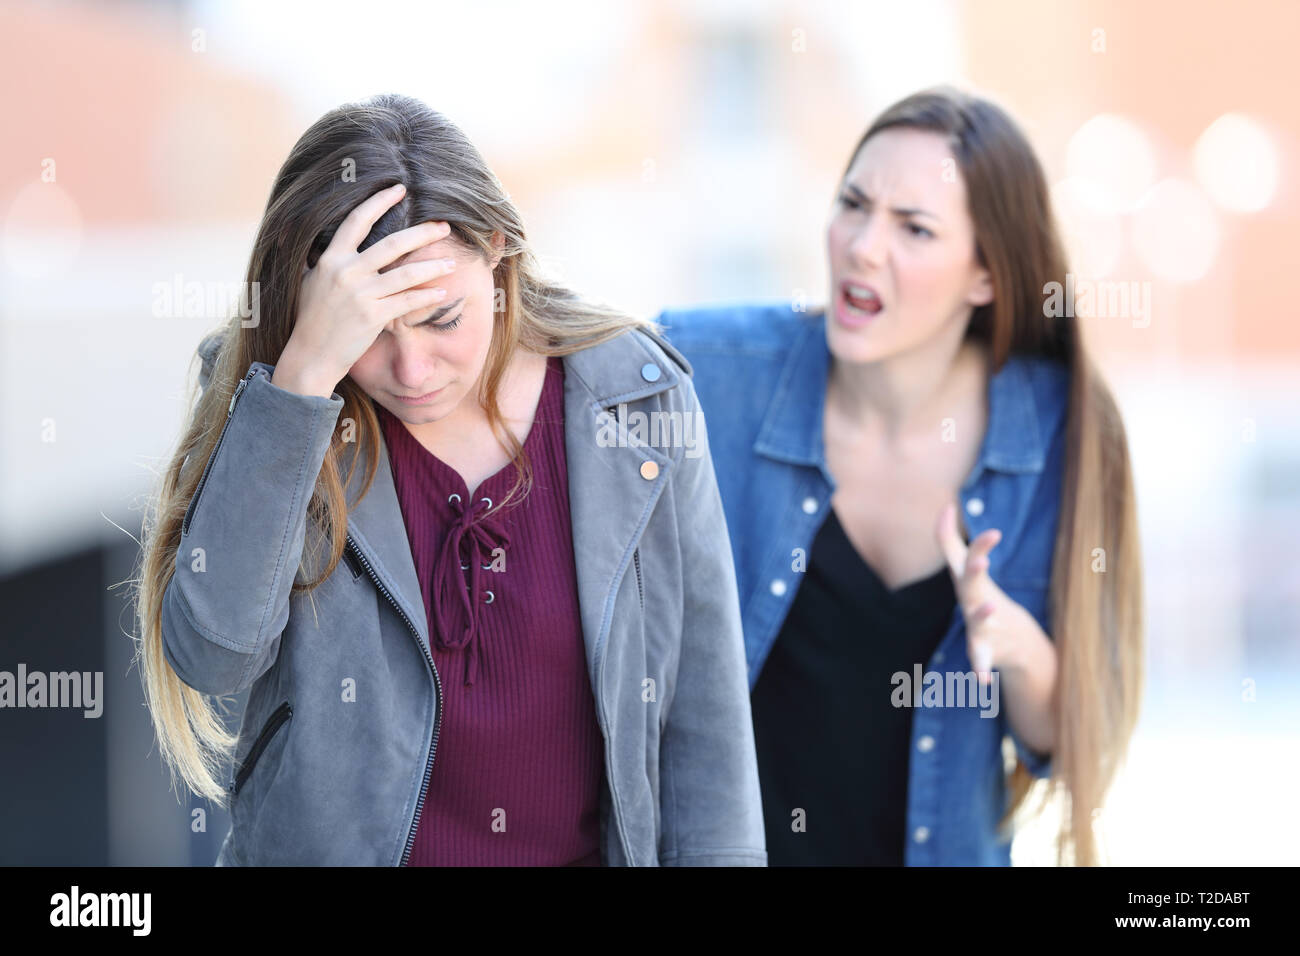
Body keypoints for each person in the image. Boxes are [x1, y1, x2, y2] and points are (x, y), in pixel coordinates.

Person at [130, 93, 765, 866]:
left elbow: (708, 736)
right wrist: (300, 384)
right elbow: (213, 655)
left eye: (441, 319)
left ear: (498, 248)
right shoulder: (276, 406)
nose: (412, 370)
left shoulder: (637, 399)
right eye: (368, 331)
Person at [658, 85, 1143, 866]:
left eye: (913, 228)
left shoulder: (1060, 429)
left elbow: (1068, 742)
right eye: (854, 204)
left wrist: (1016, 646)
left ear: (986, 275)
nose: (863, 245)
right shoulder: (705, 374)